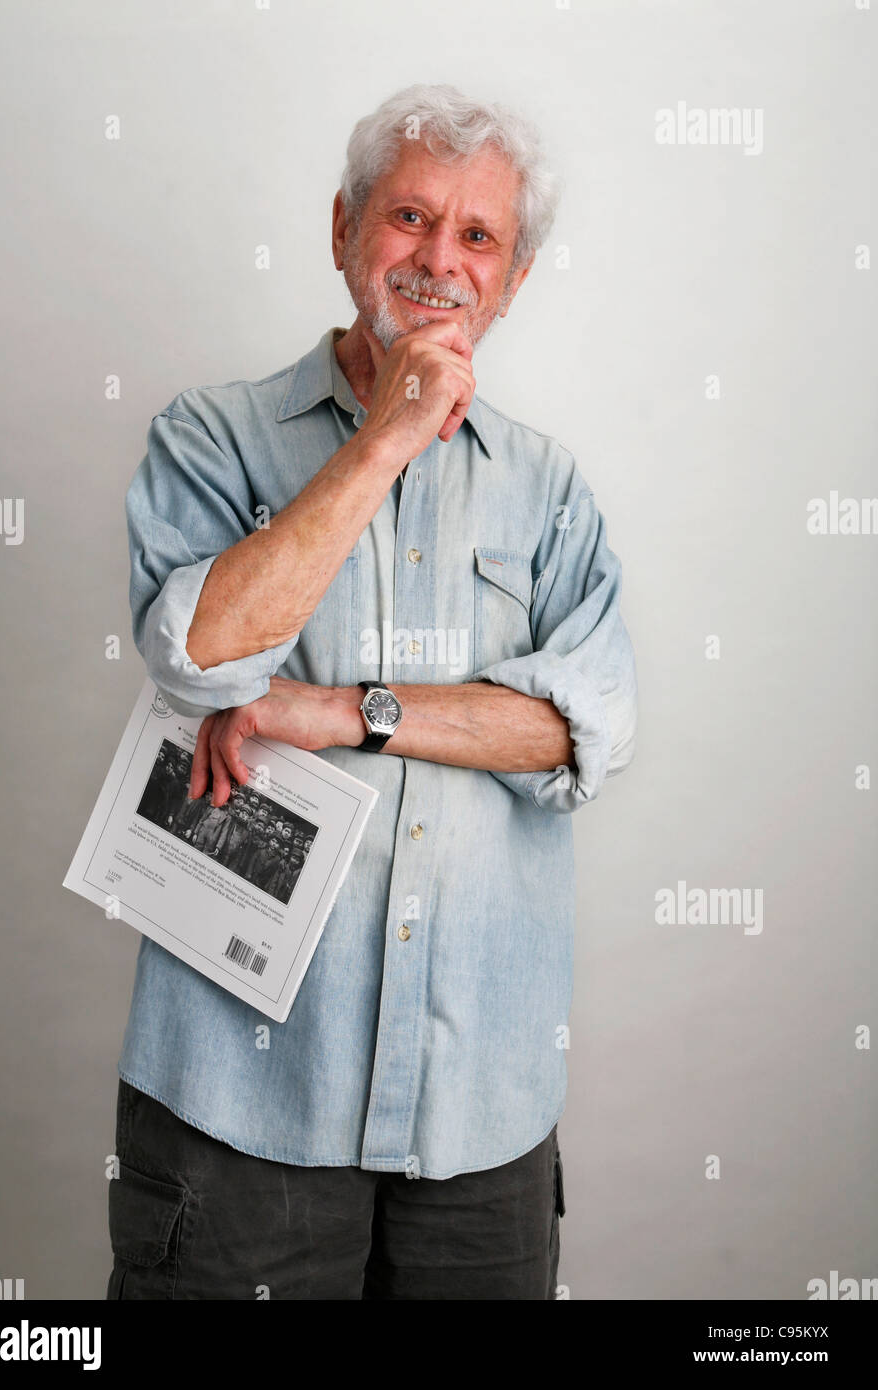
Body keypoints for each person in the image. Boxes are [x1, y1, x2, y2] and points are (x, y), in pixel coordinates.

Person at [109, 83, 637, 1301]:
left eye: (477, 236)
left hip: (478, 1118)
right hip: (238, 1106)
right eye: (408, 217)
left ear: (514, 275)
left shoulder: (550, 492)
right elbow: (198, 653)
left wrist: (338, 707)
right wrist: (382, 439)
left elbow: (580, 729)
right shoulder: (211, 438)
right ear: (343, 226)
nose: (438, 260)